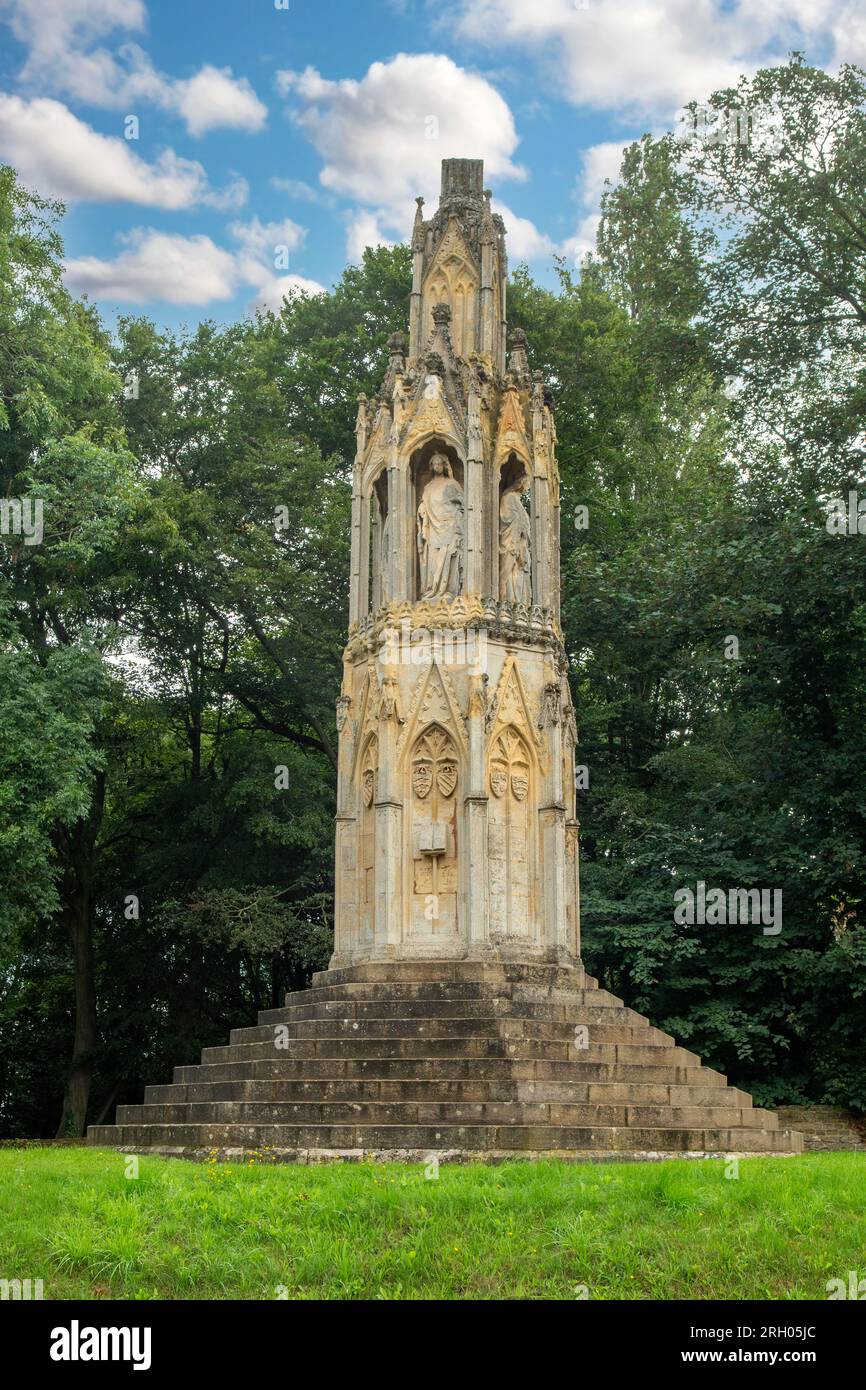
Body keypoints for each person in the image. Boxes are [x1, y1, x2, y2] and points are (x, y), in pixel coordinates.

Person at [417, 453, 464, 598]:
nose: (437, 466)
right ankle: (432, 588)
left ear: (445, 465)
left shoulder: (452, 484)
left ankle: (447, 589)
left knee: (448, 556)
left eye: (440, 463)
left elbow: (463, 503)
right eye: (435, 464)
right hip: (433, 528)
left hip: (449, 526)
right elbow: (425, 502)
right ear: (431, 466)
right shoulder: (428, 487)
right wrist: (422, 508)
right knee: (432, 559)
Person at [499, 471, 532, 605]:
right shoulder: (509, 497)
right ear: (521, 483)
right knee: (508, 568)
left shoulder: (516, 499)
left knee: (519, 571)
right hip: (511, 540)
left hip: (520, 542)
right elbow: (507, 518)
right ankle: (506, 598)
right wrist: (521, 527)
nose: (529, 486)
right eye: (528, 482)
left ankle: (518, 601)